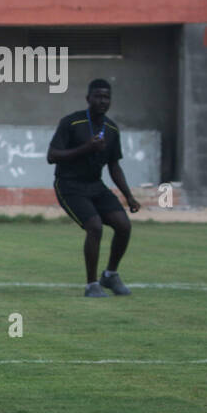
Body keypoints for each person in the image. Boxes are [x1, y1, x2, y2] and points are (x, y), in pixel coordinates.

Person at [47, 79, 140, 296]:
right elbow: (52, 156)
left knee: (123, 225)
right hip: (69, 185)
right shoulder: (71, 123)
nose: (102, 101)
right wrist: (86, 148)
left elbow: (114, 165)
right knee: (95, 227)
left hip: (95, 186)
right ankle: (91, 285)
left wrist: (129, 196)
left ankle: (110, 275)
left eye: (106, 97)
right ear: (88, 98)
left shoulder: (111, 129)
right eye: (97, 96)